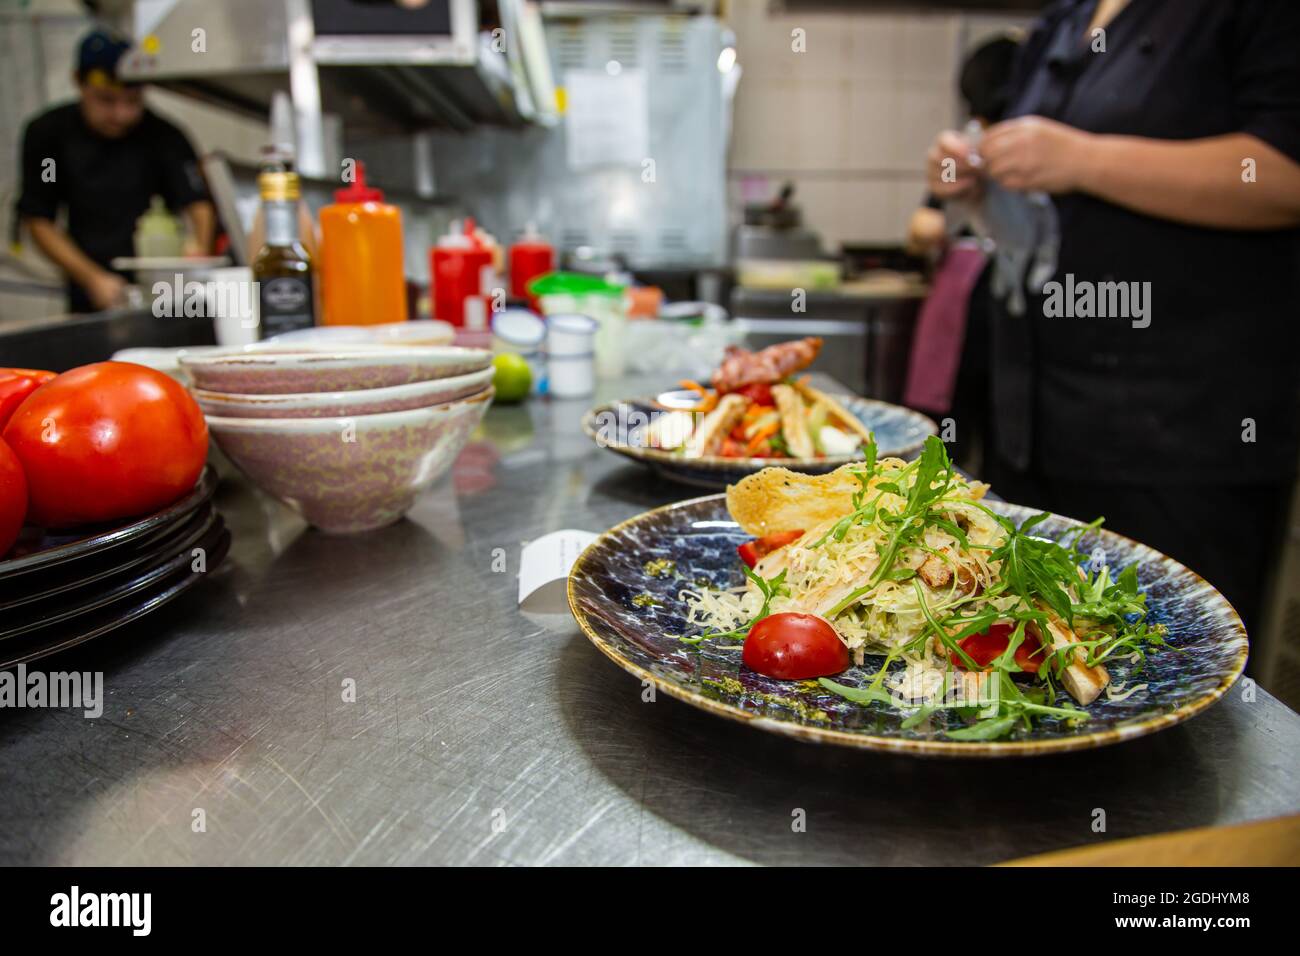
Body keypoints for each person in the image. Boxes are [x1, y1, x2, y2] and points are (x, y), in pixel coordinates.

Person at [925, 0, 1300, 636]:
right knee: (1036, 668)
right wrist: (977, 172)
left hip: (1181, 443)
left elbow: (1286, 175)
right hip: (1036, 432)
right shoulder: (1063, 21)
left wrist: (1086, 160)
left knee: (1170, 668)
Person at [15, 28, 215, 313]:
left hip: (164, 296)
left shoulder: (164, 136)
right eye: (106, 100)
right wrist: (92, 279)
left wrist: (198, 253)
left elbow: (197, 203)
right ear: (78, 82)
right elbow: (39, 219)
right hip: (89, 290)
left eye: (133, 101)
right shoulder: (49, 135)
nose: (121, 114)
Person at [903, 34, 1022, 471]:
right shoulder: (968, 150)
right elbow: (923, 227)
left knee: (988, 439)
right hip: (972, 315)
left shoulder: (1032, 151)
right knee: (955, 437)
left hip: (1003, 318)